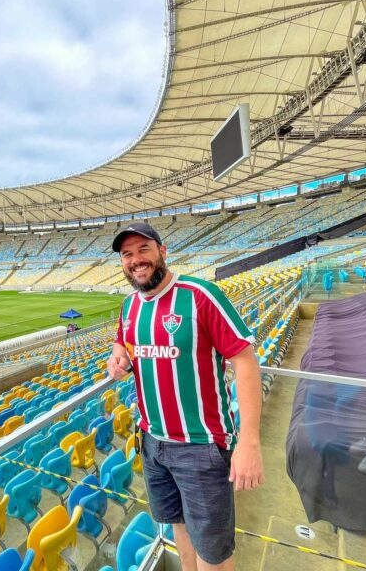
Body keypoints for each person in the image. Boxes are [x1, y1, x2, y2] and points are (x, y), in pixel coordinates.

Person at [107, 223, 264, 571]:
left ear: (163, 252)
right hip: (152, 442)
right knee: (179, 526)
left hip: (201, 445)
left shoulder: (199, 295)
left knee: (214, 552)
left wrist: (249, 441)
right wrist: (118, 357)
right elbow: (124, 343)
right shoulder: (130, 305)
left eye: (143, 250)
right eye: (127, 255)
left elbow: (245, 361)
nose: (136, 260)